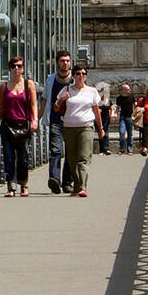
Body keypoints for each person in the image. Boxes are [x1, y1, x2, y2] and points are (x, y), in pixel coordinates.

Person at [54, 64, 106, 196]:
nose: (81, 76)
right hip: (69, 128)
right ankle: (77, 186)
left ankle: (83, 186)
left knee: (83, 157)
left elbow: (96, 111)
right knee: (71, 159)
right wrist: (61, 100)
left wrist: (100, 128)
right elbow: (55, 108)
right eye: (78, 74)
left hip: (86, 127)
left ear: (86, 76)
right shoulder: (66, 90)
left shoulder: (92, 91)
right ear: (73, 76)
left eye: (83, 74)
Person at [0, 54, 38, 196]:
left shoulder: (28, 84)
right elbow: (1, 106)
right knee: (8, 157)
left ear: (23, 68)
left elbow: (33, 104)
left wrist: (35, 119)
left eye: (19, 66)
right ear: (9, 68)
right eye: (13, 66)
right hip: (7, 125)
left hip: (23, 125)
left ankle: (23, 185)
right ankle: (11, 187)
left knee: (23, 157)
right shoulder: (4, 86)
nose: (16, 69)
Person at [41, 49, 74, 194]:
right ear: (57, 63)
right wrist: (37, 118)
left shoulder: (76, 78)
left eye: (67, 61)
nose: (65, 63)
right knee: (56, 150)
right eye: (62, 61)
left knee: (71, 152)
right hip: (56, 120)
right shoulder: (50, 79)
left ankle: (67, 182)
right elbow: (44, 99)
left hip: (73, 121)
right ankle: (54, 179)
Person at [115, 82, 135, 154]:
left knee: (130, 133)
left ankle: (130, 149)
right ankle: (122, 148)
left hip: (130, 117)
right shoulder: (119, 98)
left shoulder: (131, 97)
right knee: (122, 132)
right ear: (123, 90)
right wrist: (115, 114)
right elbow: (118, 107)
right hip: (123, 117)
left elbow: (134, 106)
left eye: (129, 89)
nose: (129, 90)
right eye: (127, 89)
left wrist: (135, 115)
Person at [97, 80, 112, 155]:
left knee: (106, 133)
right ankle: (101, 150)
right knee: (100, 132)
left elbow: (111, 107)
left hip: (106, 118)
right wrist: (97, 110)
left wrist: (112, 114)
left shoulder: (108, 100)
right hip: (99, 118)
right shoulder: (97, 100)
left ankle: (106, 149)